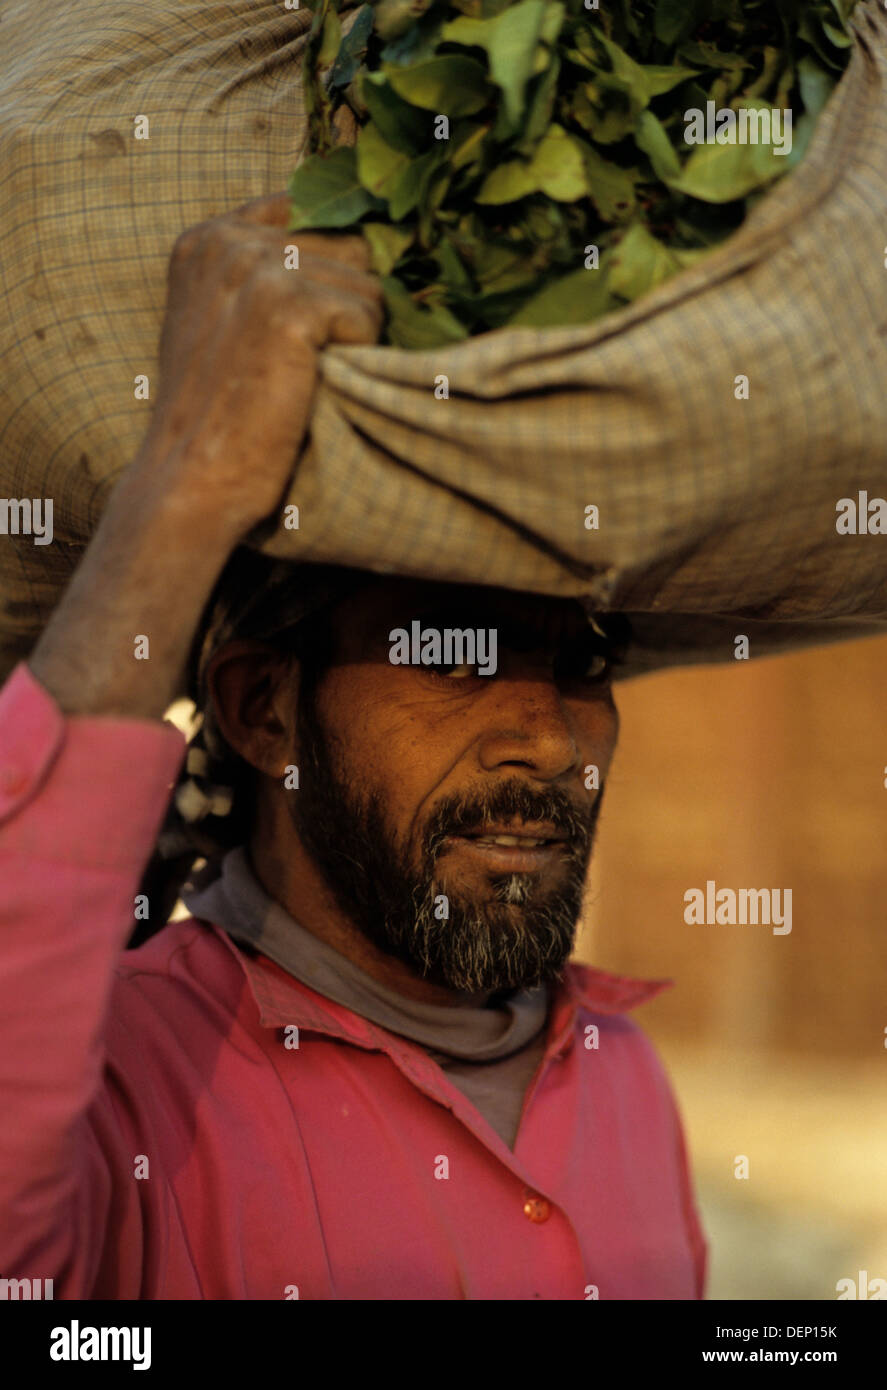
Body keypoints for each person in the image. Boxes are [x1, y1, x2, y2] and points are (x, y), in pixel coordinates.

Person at [0, 194, 706, 1300]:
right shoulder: (122, 1081)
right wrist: (188, 482)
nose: (542, 733)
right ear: (263, 710)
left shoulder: (624, 1075)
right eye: (452, 655)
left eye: (580, 664)